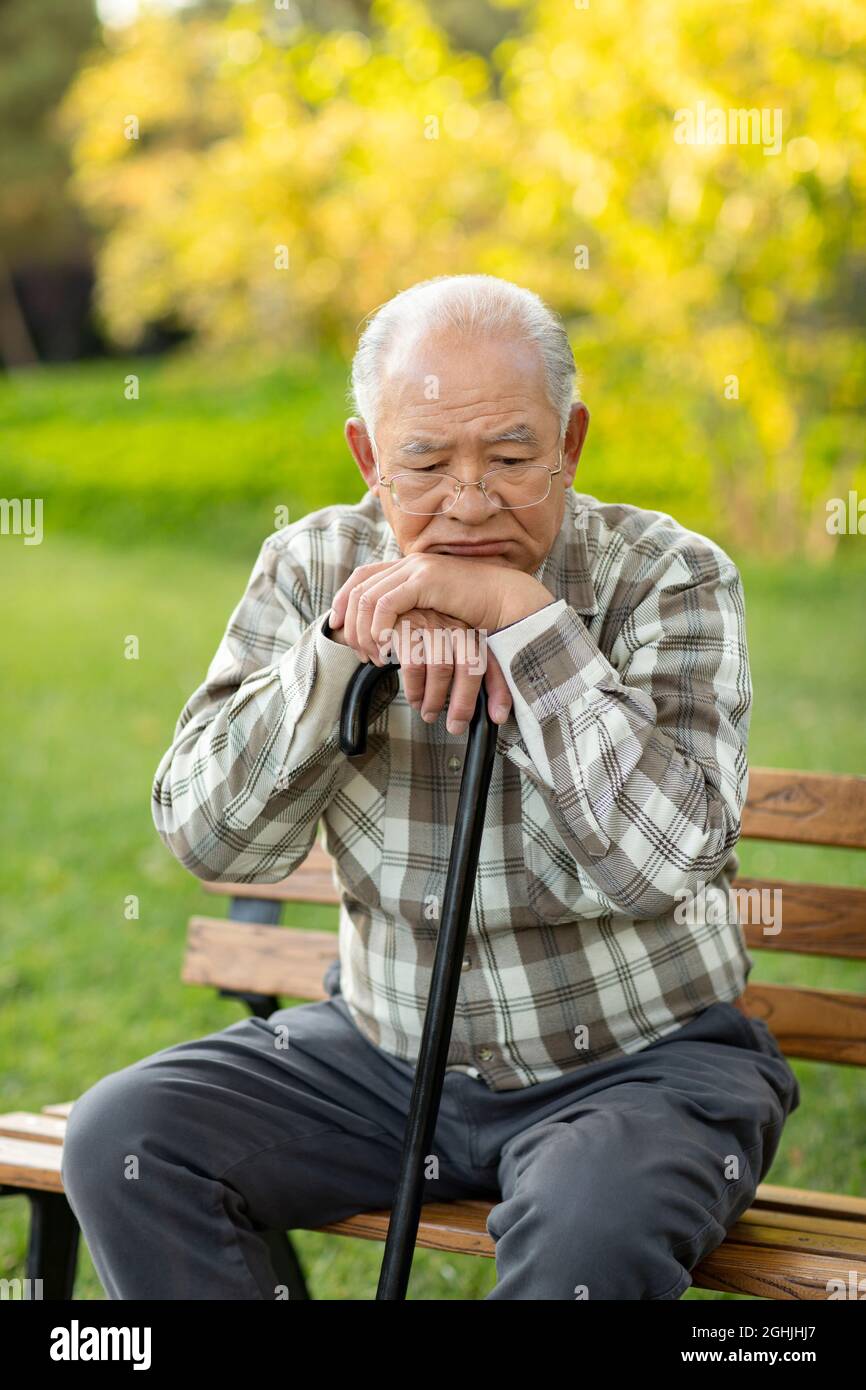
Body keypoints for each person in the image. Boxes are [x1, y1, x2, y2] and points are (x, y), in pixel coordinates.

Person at [61, 274, 799, 1300]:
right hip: (378, 1057)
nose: (468, 500)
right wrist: (333, 656)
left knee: (585, 1236)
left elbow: (665, 863)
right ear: (367, 456)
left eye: (509, 457)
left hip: (643, 1067)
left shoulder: (668, 577)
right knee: (126, 1138)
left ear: (569, 442)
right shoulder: (311, 563)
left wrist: (524, 621)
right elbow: (210, 841)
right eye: (424, 461)